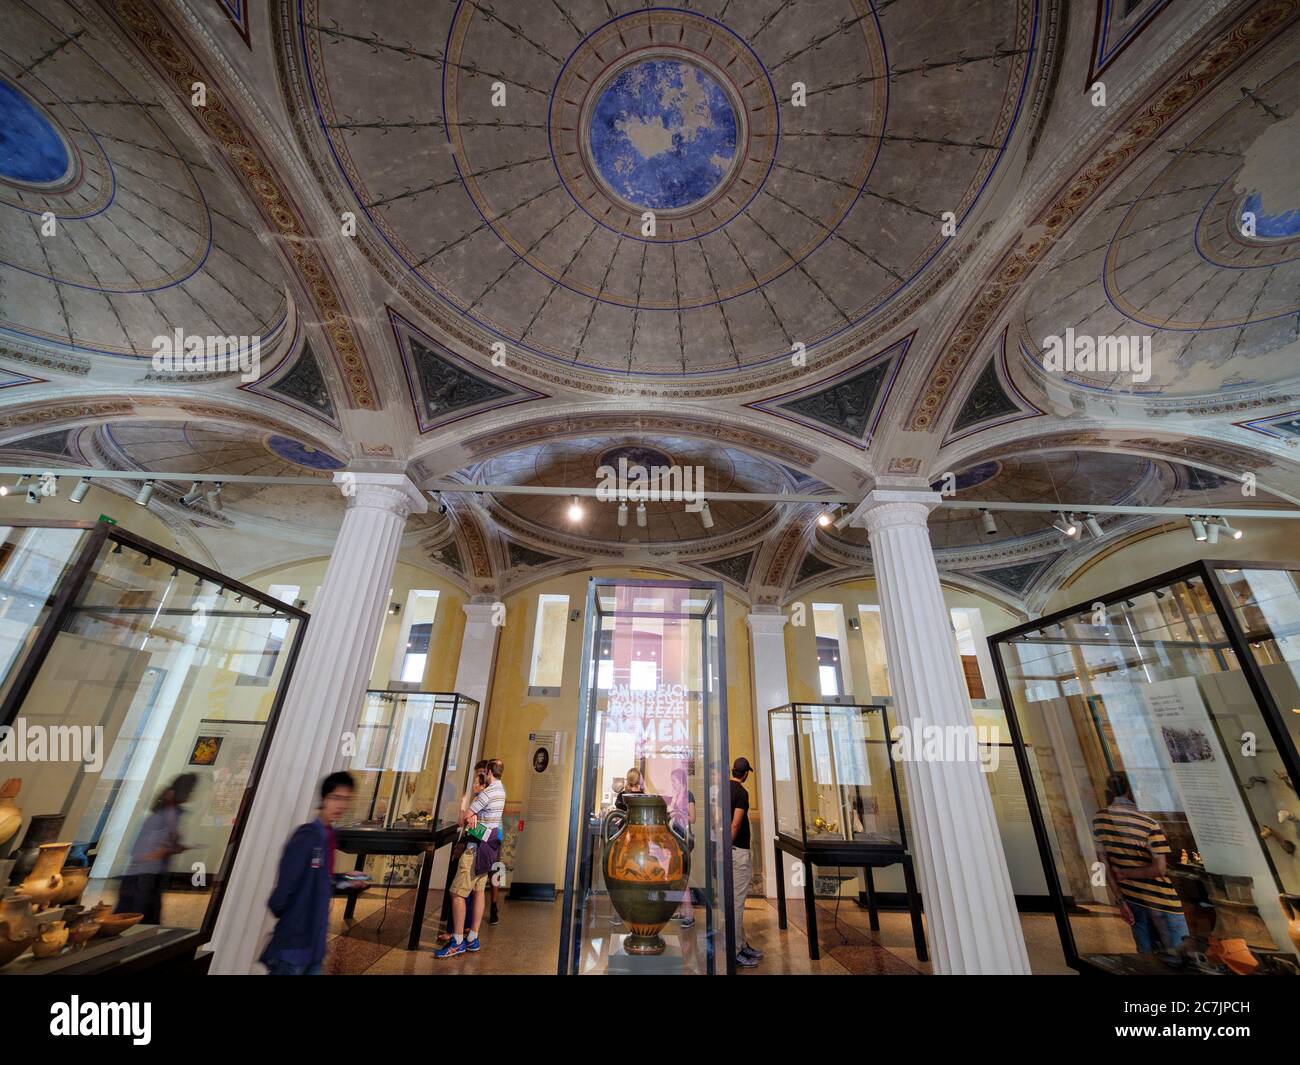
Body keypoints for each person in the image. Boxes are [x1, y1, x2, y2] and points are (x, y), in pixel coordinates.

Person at [261, 771, 360, 975]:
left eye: (346, 799)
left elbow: (321, 881)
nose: (341, 805)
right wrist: (291, 917)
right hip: (294, 941)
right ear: (324, 798)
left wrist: (346, 879)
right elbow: (285, 888)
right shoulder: (307, 837)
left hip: (315, 943)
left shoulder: (328, 837)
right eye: (336, 798)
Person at [1092, 770, 1189, 957]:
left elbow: (1102, 862)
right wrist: (1126, 873)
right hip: (1161, 900)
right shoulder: (1149, 824)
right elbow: (1159, 868)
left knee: (1147, 957)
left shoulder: (1100, 820)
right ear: (1131, 790)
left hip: (1131, 897)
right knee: (1181, 956)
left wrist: (1120, 900)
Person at [436, 758, 505, 958]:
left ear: (488, 774)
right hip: (488, 849)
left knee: (457, 893)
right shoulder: (500, 791)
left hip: (476, 849)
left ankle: (457, 941)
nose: (475, 784)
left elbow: (465, 818)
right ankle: (472, 937)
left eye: (477, 781)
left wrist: (467, 808)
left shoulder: (487, 793)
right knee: (479, 891)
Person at [116, 773, 197, 924]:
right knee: (136, 916)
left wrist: (172, 848)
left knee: (147, 915)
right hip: (143, 873)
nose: (192, 795)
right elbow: (141, 852)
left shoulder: (173, 814)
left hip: (154, 872)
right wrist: (164, 851)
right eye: (190, 791)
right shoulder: (160, 817)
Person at [729, 757, 762, 968]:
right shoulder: (741, 793)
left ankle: (742, 943)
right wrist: (726, 847)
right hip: (738, 852)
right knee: (738, 903)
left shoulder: (725, 789)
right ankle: (736, 950)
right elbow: (736, 823)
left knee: (735, 900)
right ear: (746, 773)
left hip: (730, 851)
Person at [668, 767, 696, 929]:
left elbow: (693, 818)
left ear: (681, 781)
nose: (672, 783)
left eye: (674, 781)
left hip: (685, 839)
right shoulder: (676, 795)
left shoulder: (688, 795)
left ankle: (689, 914)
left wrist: (678, 812)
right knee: (679, 876)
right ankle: (683, 911)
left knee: (683, 877)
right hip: (676, 838)